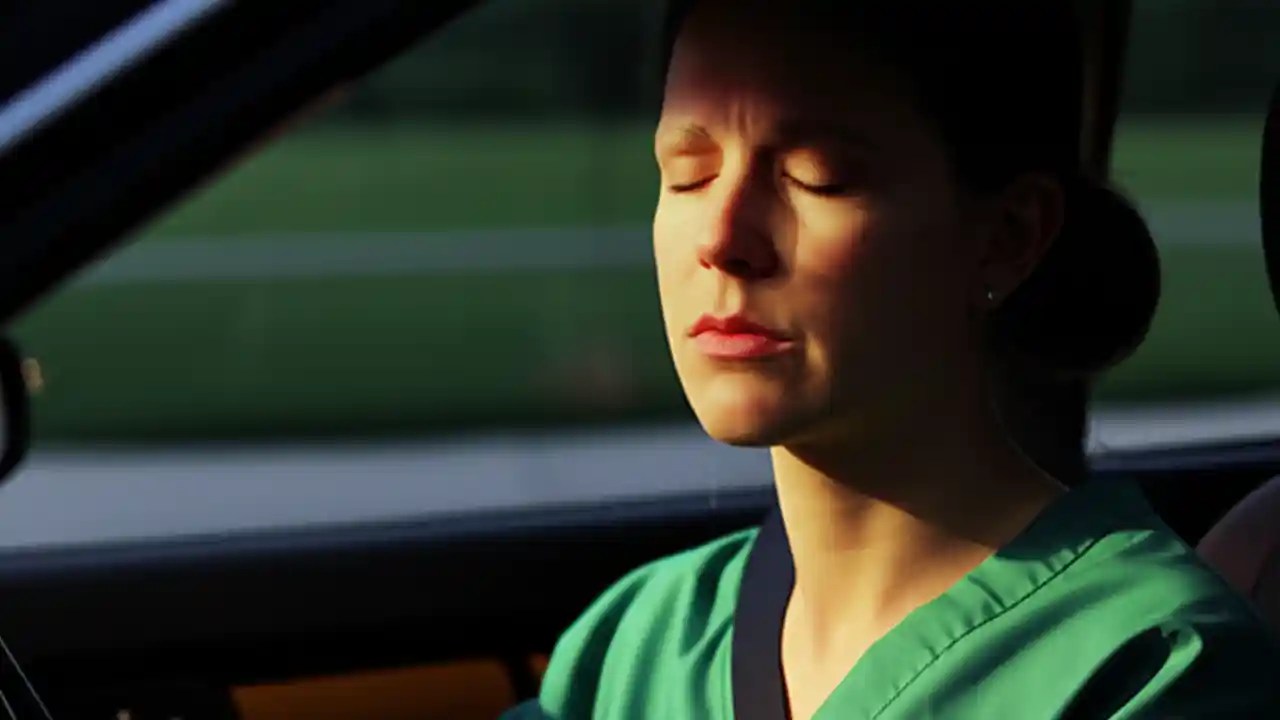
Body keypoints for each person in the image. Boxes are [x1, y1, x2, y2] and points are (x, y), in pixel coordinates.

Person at [505, 1, 1280, 717]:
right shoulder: (635, 646)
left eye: (817, 177)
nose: (722, 238)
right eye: (688, 174)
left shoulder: (1154, 668)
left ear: (1007, 238)